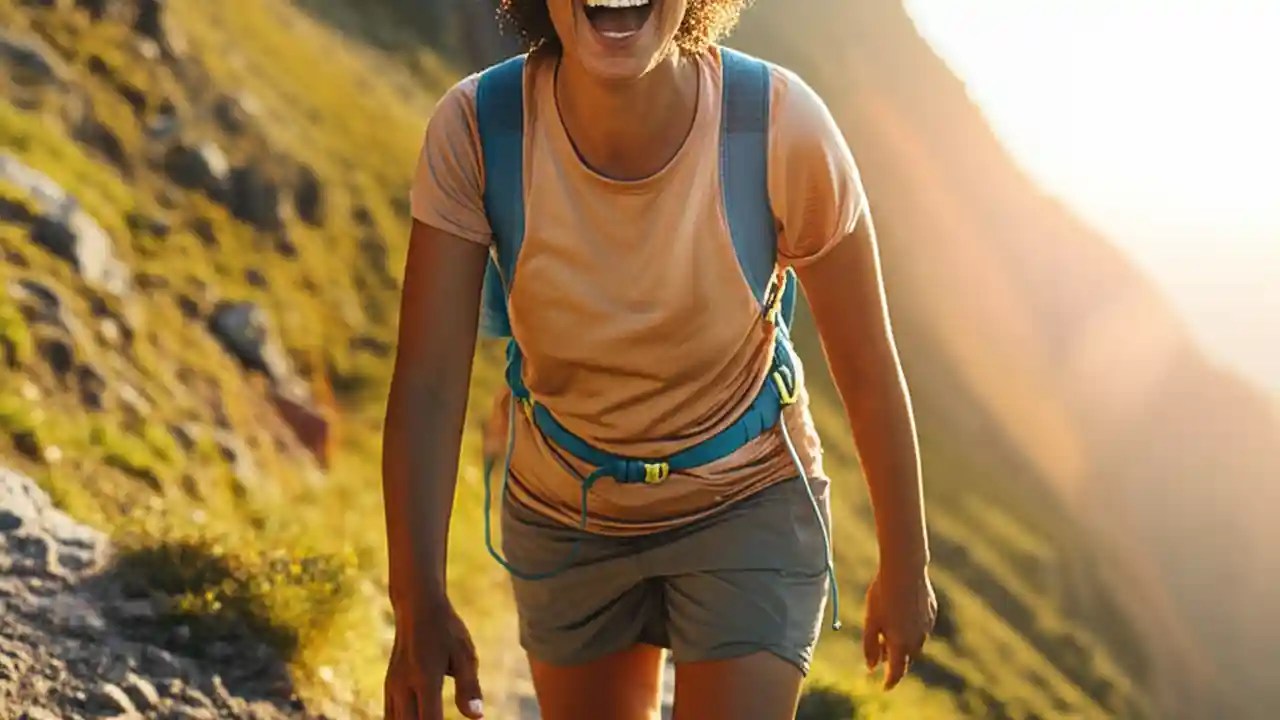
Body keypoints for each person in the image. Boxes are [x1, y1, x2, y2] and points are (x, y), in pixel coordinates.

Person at [381, 0, 936, 718]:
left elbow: (865, 363)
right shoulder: (479, 131)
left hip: (747, 498)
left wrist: (905, 562)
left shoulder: (778, 128)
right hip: (566, 510)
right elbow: (427, 383)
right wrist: (417, 601)